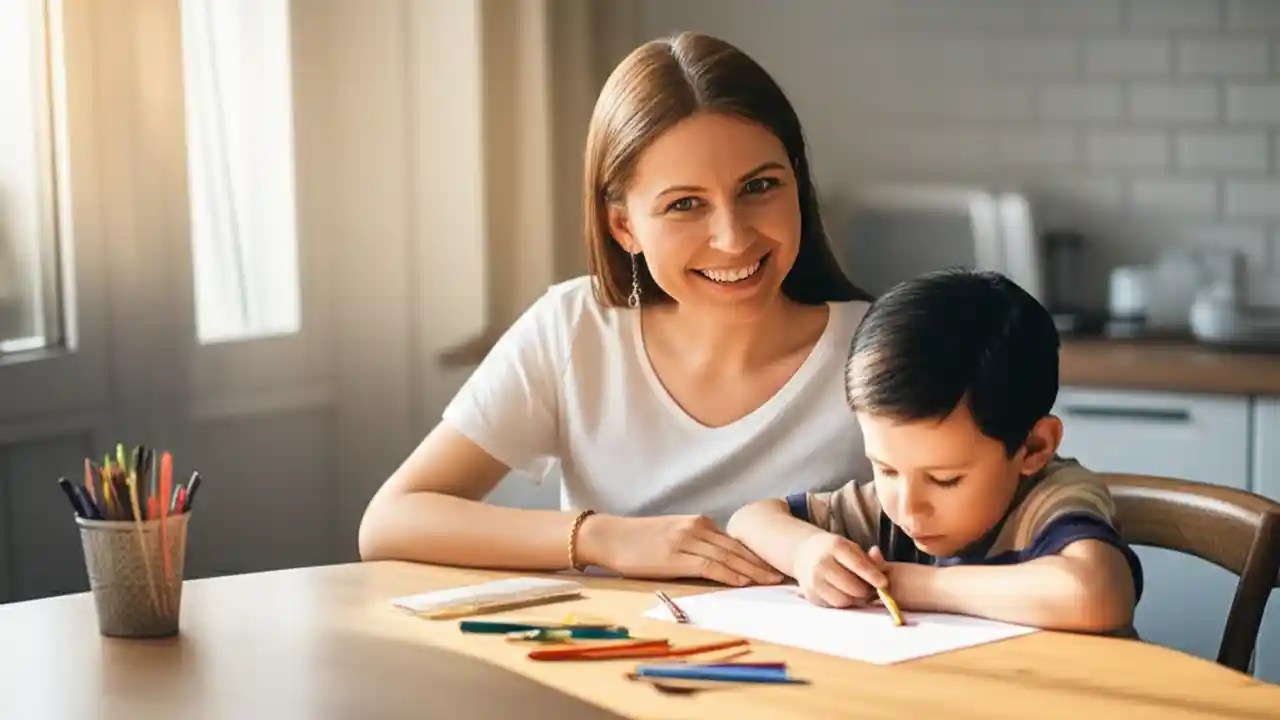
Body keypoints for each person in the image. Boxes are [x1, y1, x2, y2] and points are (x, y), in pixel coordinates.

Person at [358, 31, 875, 587]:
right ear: (624, 226)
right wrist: (602, 536)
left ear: (797, 184)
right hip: (615, 663)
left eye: (759, 186)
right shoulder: (574, 328)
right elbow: (391, 520)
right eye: (684, 204)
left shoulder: (880, 349)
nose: (732, 237)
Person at [727, 270, 1143, 633]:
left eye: (945, 480)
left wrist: (907, 585)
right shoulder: (887, 508)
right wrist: (806, 552)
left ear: (1034, 447)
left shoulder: (1051, 498)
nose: (909, 509)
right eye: (885, 470)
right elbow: (751, 520)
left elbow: (1095, 592)